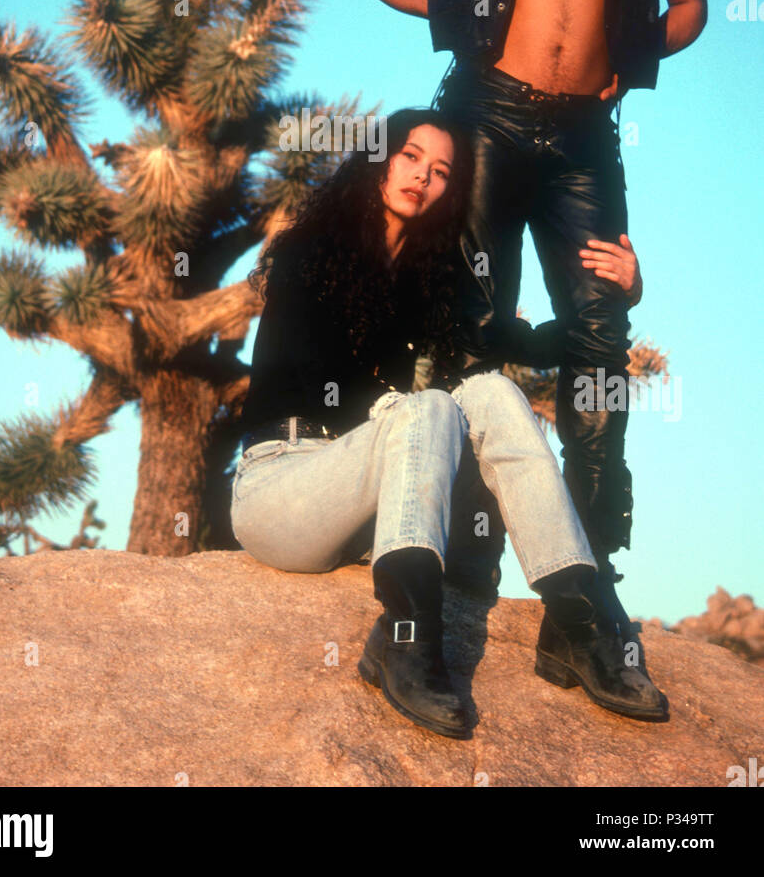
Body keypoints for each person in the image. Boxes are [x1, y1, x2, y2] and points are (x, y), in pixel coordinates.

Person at [355, 0, 707, 646]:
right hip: (483, 121)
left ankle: (588, 590)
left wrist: (631, 61)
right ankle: (455, 565)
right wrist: (455, 19)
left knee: (600, 328)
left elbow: (693, 1)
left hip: (585, 140)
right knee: (466, 328)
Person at [230, 109, 668, 740]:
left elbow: (514, 343)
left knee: (489, 389)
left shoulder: (430, 283)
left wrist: (617, 302)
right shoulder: (310, 254)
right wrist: (415, 404)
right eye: (410, 157)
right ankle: (411, 634)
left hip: (368, 506)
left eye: (440, 172)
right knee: (430, 407)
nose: (422, 177)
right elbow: (325, 373)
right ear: (379, 160)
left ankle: (578, 616)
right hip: (283, 489)